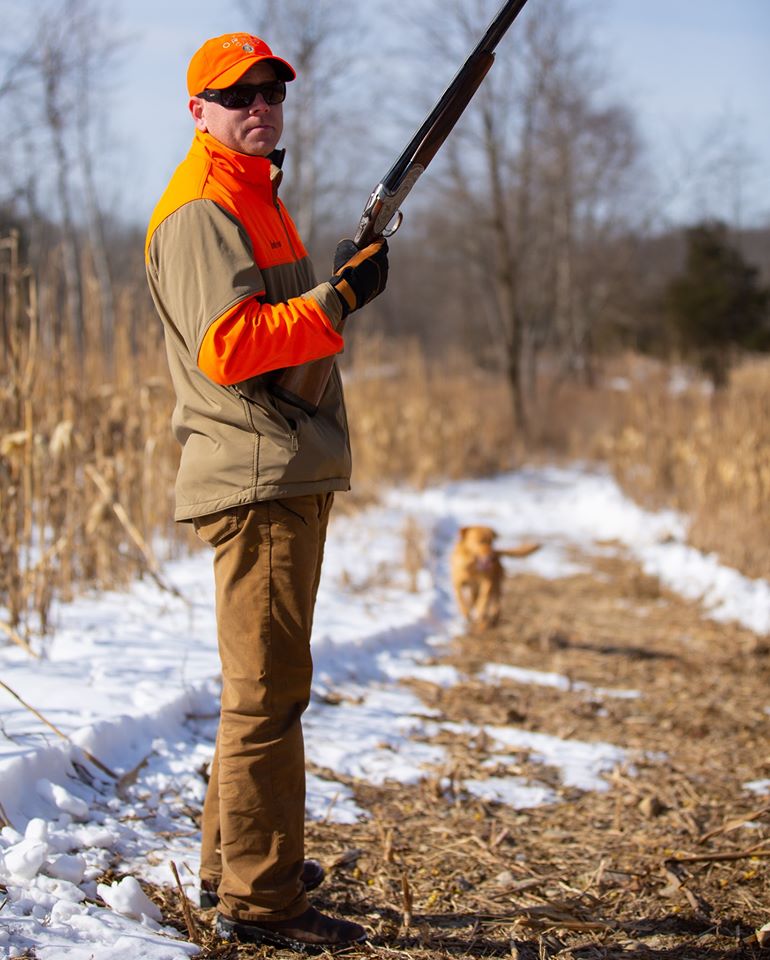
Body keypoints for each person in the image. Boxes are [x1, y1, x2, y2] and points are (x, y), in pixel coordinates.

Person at [144, 33, 388, 951]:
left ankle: (235, 864)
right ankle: (262, 899)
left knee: (262, 686)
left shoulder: (254, 200)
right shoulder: (205, 209)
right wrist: (336, 303)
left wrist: (333, 283)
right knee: (268, 693)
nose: (260, 106)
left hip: (278, 467)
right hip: (255, 478)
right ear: (197, 108)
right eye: (237, 93)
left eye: (272, 92)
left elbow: (279, 332)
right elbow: (233, 345)